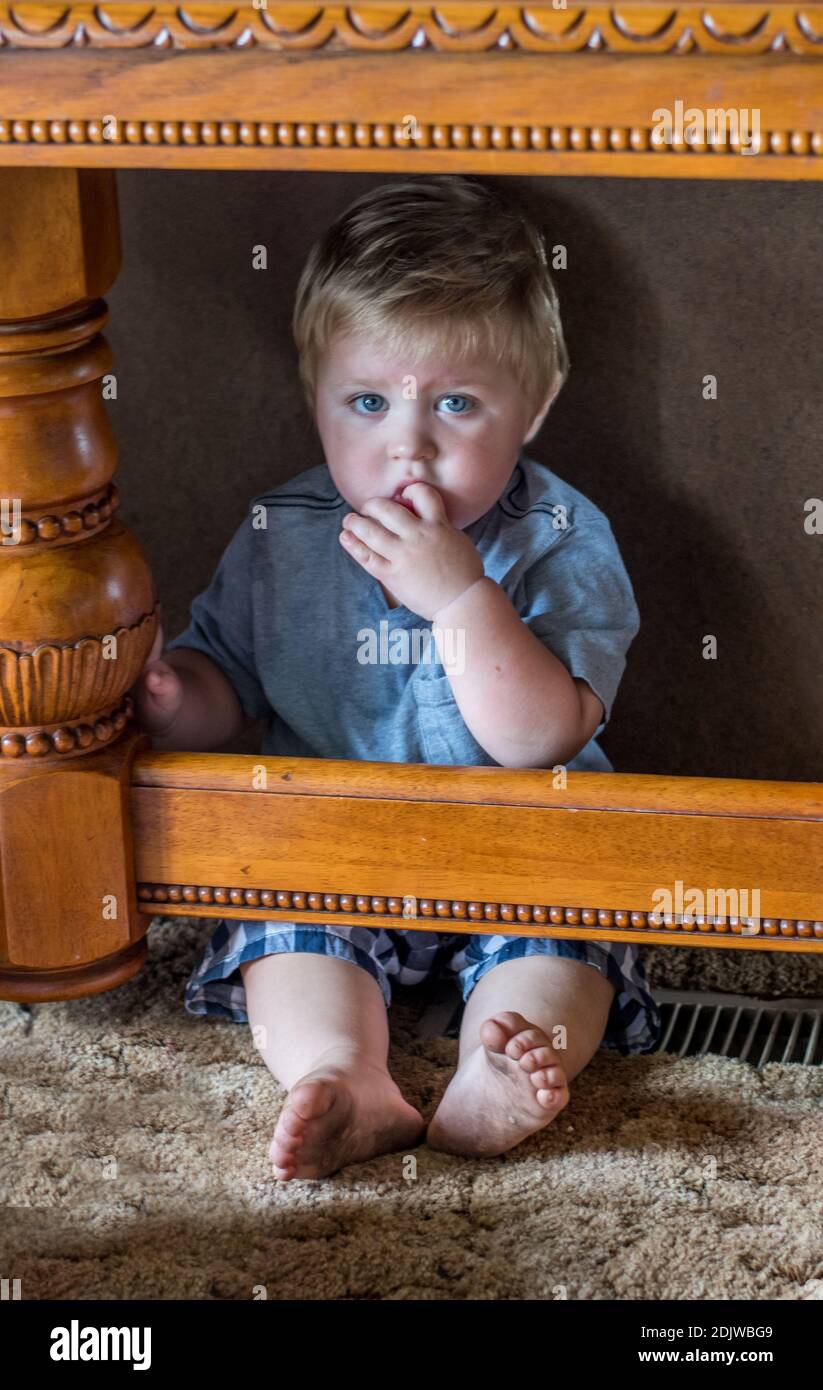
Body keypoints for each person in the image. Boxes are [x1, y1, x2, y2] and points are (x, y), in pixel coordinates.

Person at [132, 176, 662, 1181]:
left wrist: (461, 599)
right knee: (286, 931)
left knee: (565, 941)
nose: (406, 444)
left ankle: (493, 1067)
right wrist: (174, 692)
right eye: (367, 402)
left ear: (535, 407)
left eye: (456, 404)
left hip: (523, 846)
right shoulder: (281, 532)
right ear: (316, 399)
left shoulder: (559, 537)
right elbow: (228, 678)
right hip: (333, 844)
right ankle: (343, 1073)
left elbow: (538, 735)